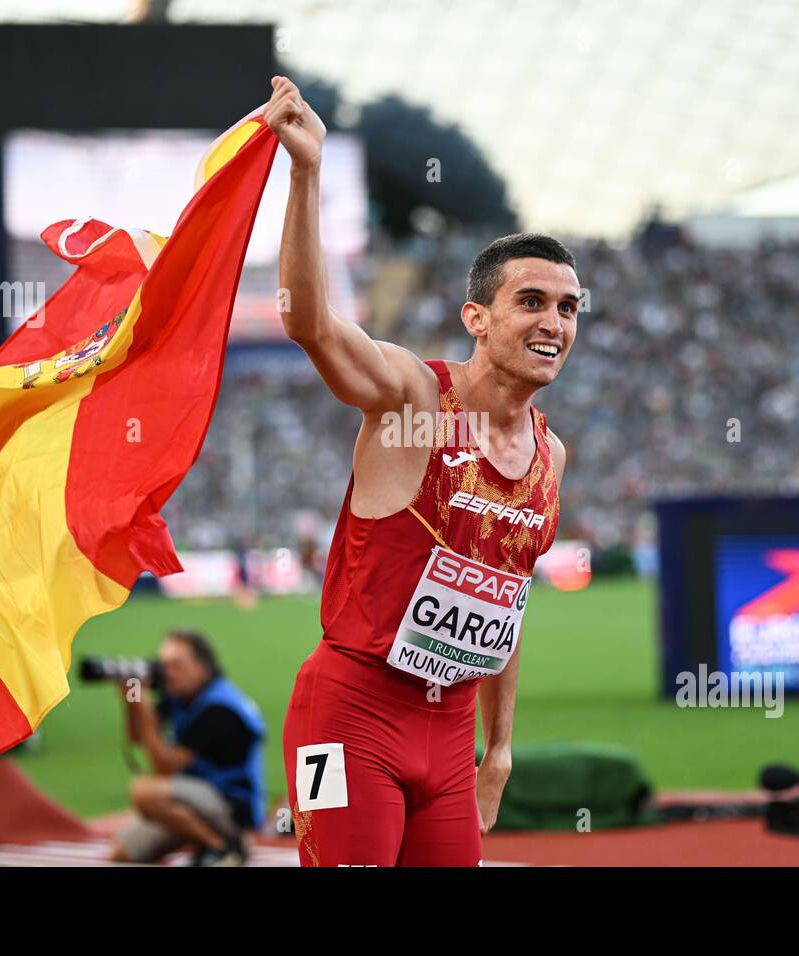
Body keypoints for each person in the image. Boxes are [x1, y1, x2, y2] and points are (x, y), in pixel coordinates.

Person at [265, 75, 575, 866]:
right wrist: (305, 173)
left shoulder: (551, 454)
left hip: (450, 737)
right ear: (478, 318)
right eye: (531, 301)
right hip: (353, 715)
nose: (555, 322)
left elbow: (507, 606)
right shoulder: (412, 395)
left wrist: (497, 750)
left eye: (569, 308)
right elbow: (308, 320)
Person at [111, 631, 265, 866]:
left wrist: (143, 705)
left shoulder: (219, 709)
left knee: (144, 791)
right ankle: (203, 839)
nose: (167, 674)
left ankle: (223, 845)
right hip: (193, 799)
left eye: (176, 666)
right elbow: (136, 738)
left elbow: (163, 767)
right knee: (124, 852)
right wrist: (131, 701)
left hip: (232, 805)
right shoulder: (182, 695)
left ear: (202, 667)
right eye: (163, 666)